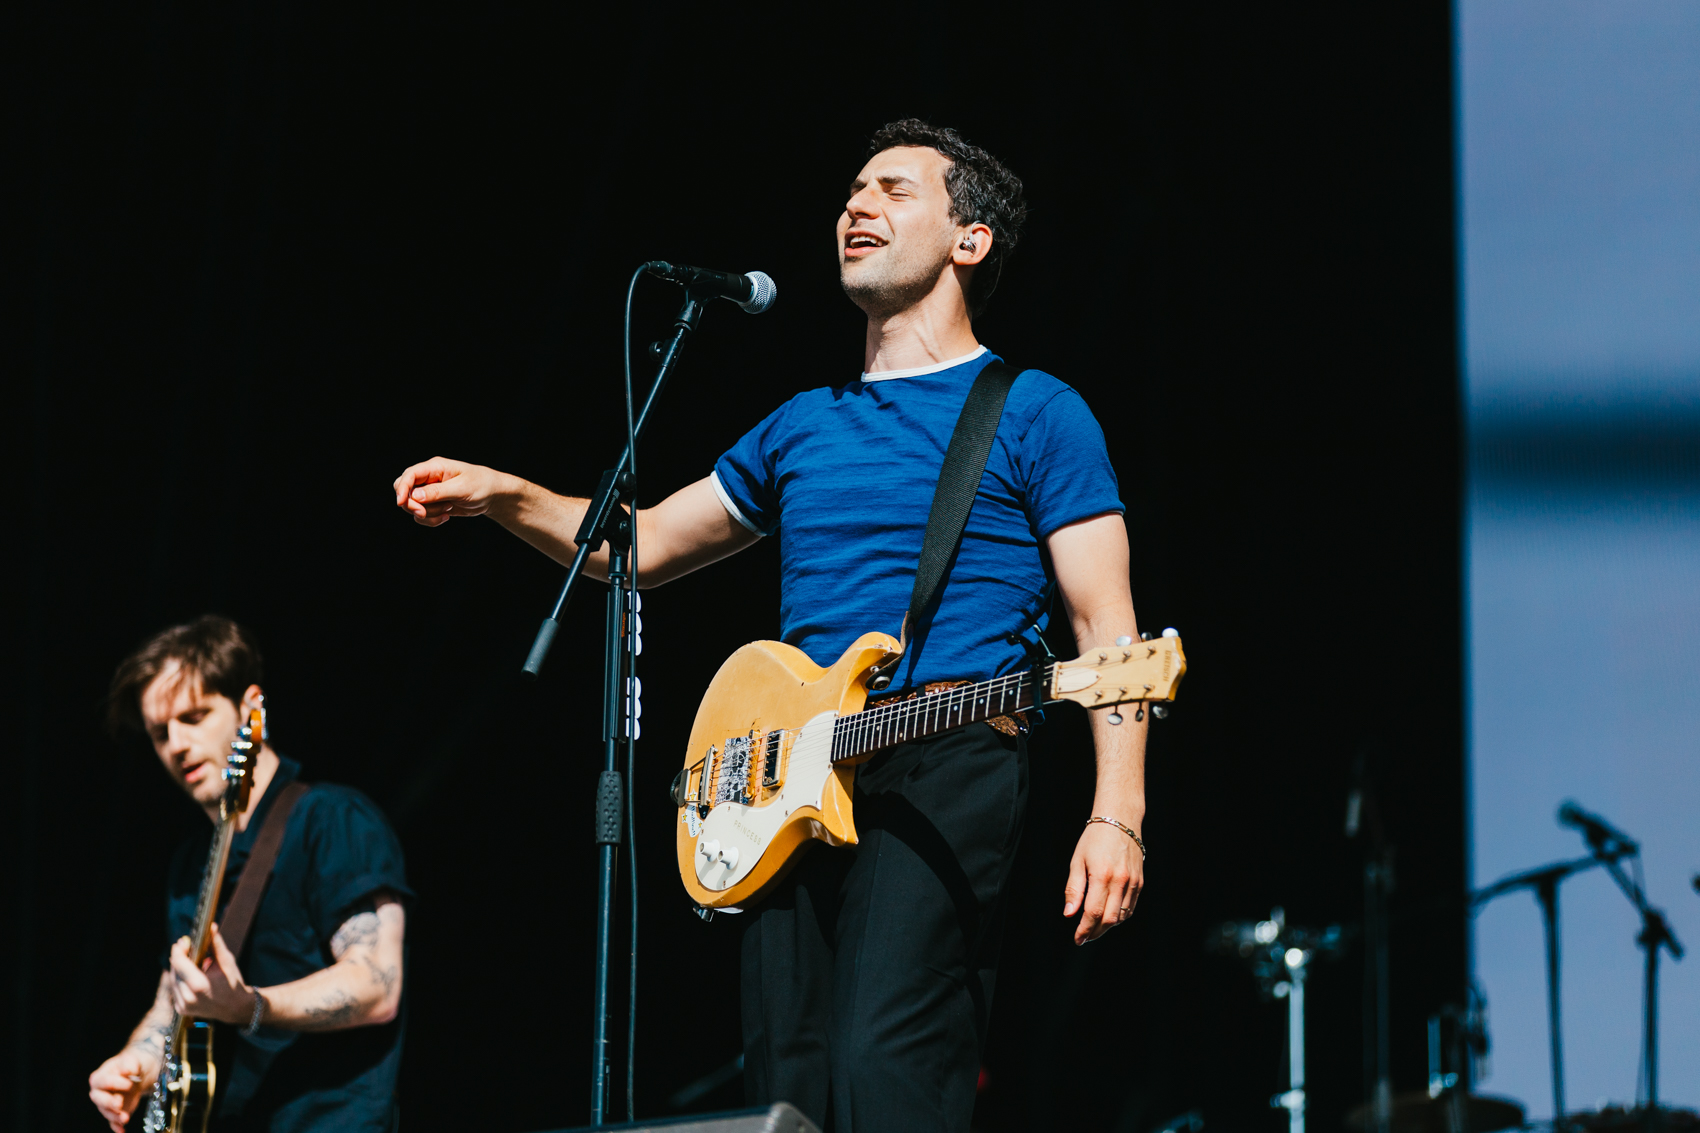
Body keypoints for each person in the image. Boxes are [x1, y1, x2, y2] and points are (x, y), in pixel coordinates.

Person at [392, 119, 1146, 1132]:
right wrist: (501, 494)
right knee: (785, 1077)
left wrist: (1116, 813)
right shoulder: (801, 422)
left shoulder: (1035, 409)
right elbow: (642, 546)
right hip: (790, 770)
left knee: (885, 1050)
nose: (856, 206)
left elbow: (1109, 631)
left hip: (948, 752)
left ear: (968, 239)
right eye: (849, 191)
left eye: (891, 189)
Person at [88, 616, 410, 1133]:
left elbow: (377, 983)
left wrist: (250, 1007)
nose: (177, 744)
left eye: (194, 716)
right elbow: (176, 992)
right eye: (159, 732)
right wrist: (139, 1062)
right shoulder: (190, 863)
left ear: (249, 707)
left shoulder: (332, 820)